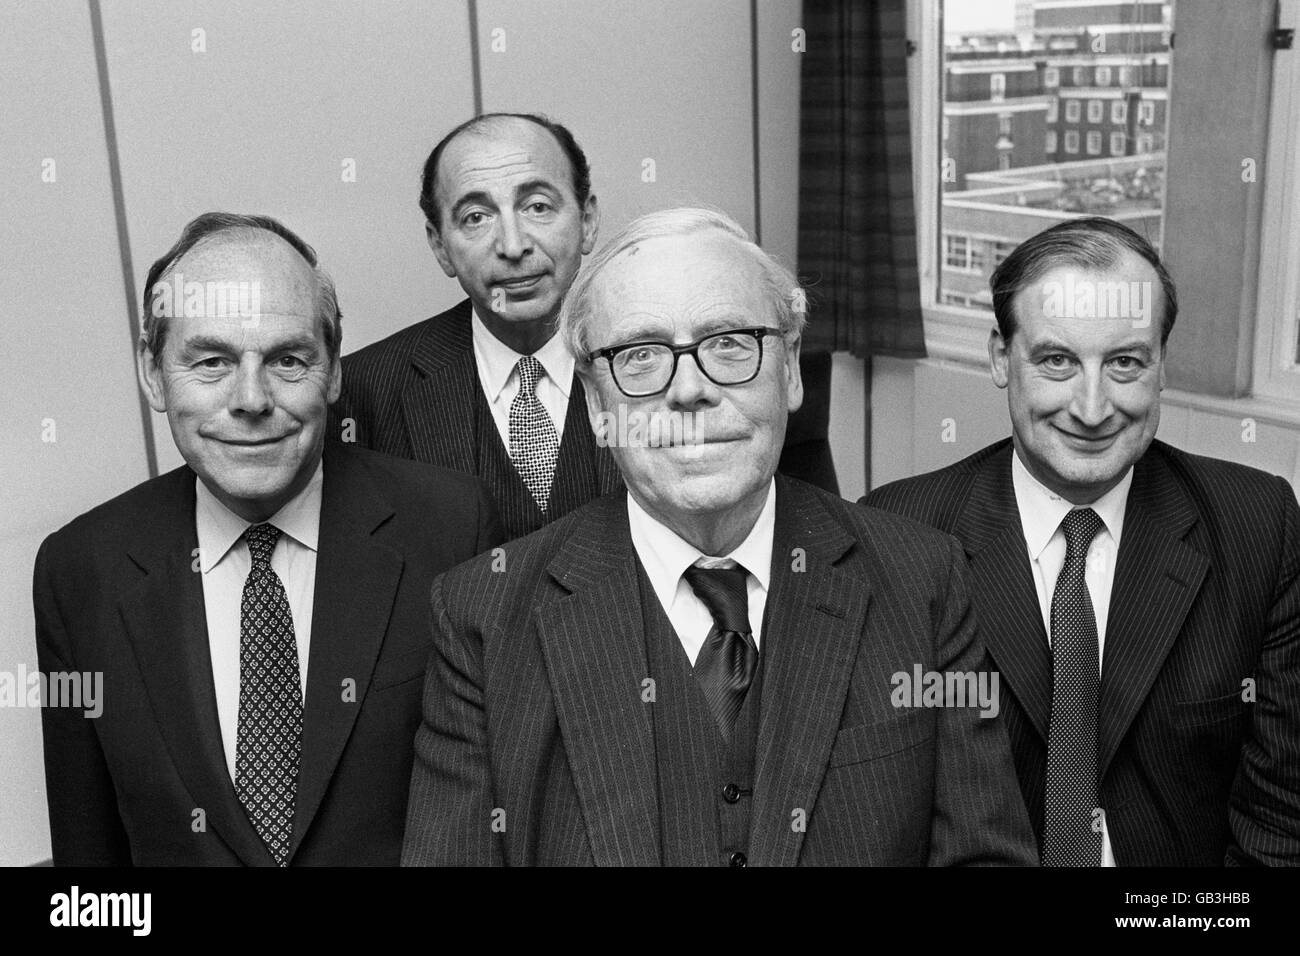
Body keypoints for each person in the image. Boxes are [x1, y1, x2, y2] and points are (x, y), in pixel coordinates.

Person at [401, 207, 1036, 866]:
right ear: (595, 404)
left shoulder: (924, 579)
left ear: (789, 370)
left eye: (730, 342)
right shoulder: (483, 617)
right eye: (641, 356)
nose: (691, 390)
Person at [34, 213, 500, 865]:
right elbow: (90, 856)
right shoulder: (81, 570)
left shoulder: (455, 528)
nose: (251, 399)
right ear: (152, 371)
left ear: (334, 368)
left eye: (286, 359)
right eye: (211, 360)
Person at [864, 216, 1300, 866]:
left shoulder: (1259, 525)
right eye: (1057, 361)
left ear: (1160, 369)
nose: (1092, 408)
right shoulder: (898, 536)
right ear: (999, 359)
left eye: (1124, 362)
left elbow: (1281, 818)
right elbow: (888, 809)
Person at [329, 113, 620, 540]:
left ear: (587, 221)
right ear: (440, 245)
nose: (513, 246)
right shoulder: (363, 392)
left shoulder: (660, 366)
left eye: (538, 206)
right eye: (476, 217)